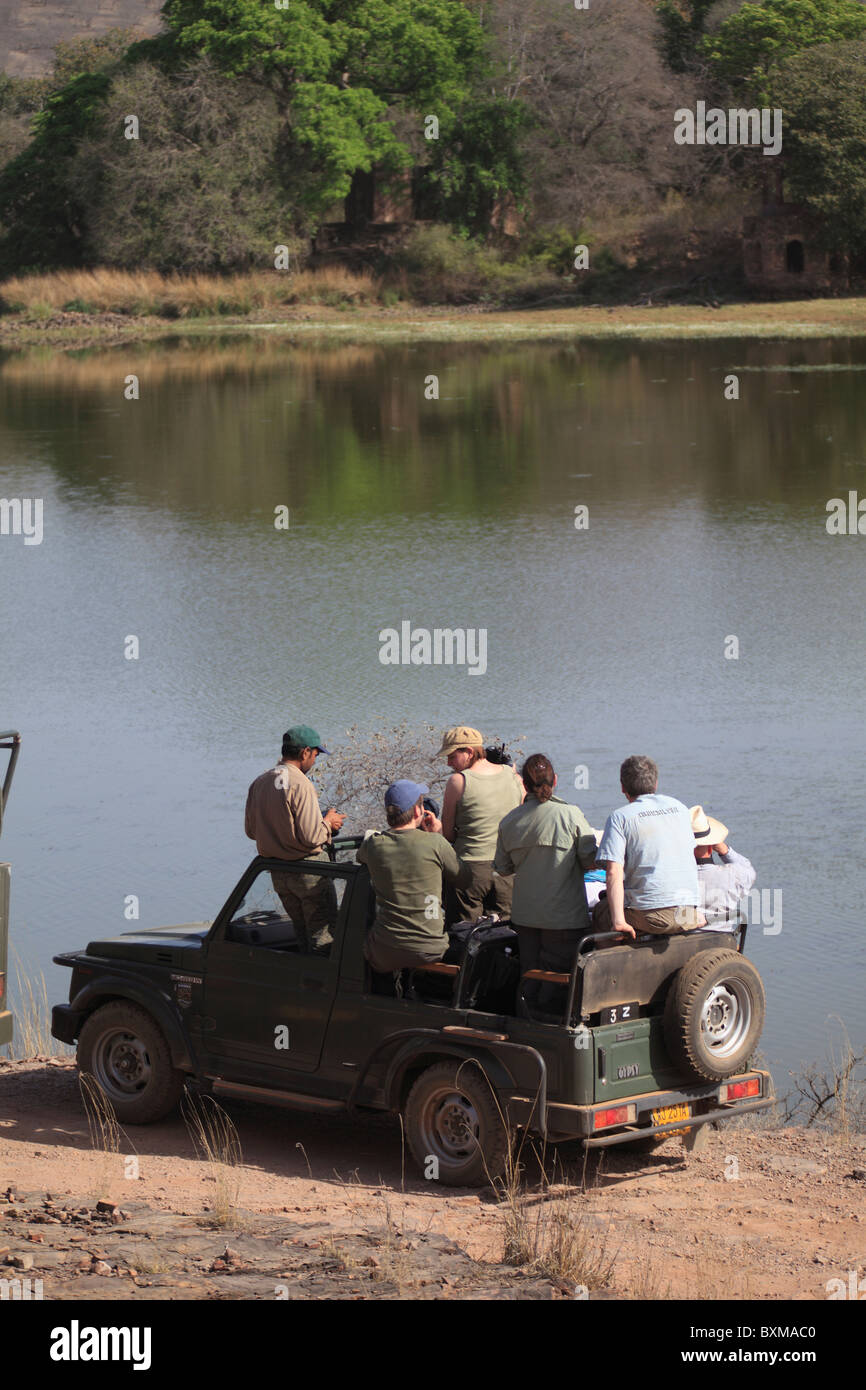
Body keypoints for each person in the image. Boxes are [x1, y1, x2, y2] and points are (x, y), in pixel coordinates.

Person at [493, 754, 597, 999]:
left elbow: (503, 868)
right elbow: (591, 860)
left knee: (529, 974)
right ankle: (552, 1027)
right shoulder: (571, 815)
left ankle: (526, 1021)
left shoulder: (509, 822)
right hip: (565, 920)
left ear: (525, 786)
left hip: (526, 918)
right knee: (560, 980)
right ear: (555, 780)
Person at [244, 724, 345, 955]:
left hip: (279, 873)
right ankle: (322, 986)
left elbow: (251, 831)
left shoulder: (260, 782)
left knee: (300, 934)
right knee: (324, 938)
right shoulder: (301, 783)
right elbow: (311, 837)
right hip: (309, 872)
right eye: (316, 755)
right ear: (305, 752)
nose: (315, 760)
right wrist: (328, 823)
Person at [357, 779, 472, 974]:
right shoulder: (436, 843)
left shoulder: (373, 845)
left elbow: (361, 856)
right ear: (418, 812)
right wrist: (439, 835)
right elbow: (465, 879)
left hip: (386, 950)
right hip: (430, 949)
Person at [594, 755, 704, 939]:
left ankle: (613, 966)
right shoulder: (680, 808)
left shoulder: (620, 817)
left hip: (653, 916)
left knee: (601, 911)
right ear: (656, 783)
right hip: (689, 914)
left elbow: (613, 872)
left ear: (622, 787)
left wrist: (619, 921)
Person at [437, 725, 523, 924]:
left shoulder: (458, 782)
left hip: (470, 870)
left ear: (468, 752)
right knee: (505, 934)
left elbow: (448, 835)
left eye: (451, 756)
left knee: (464, 934)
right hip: (506, 869)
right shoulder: (515, 778)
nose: (449, 763)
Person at [690, 805, 756, 928]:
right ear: (711, 847)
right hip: (721, 940)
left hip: (682, 943)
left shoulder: (671, 877)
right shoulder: (733, 874)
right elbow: (749, 871)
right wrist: (724, 850)